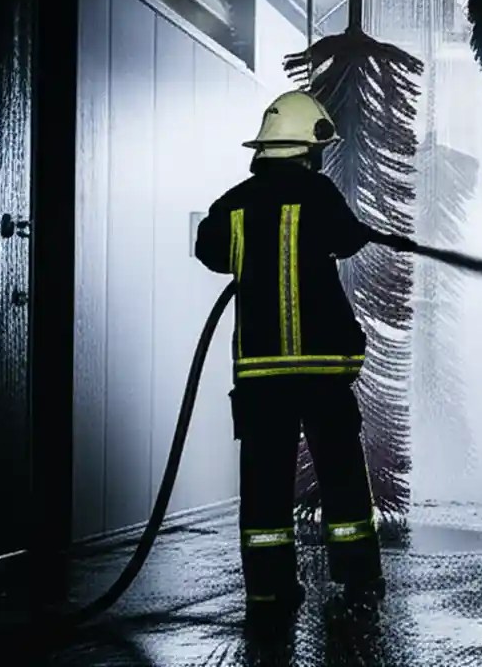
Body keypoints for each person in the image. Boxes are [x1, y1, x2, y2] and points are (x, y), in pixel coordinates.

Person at [194, 90, 410, 622]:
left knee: (263, 489)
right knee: (341, 480)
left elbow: (208, 248)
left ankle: (268, 595)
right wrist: (356, 231)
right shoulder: (318, 193)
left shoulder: (234, 203)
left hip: (260, 378)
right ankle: (358, 584)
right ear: (308, 149)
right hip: (320, 375)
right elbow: (342, 239)